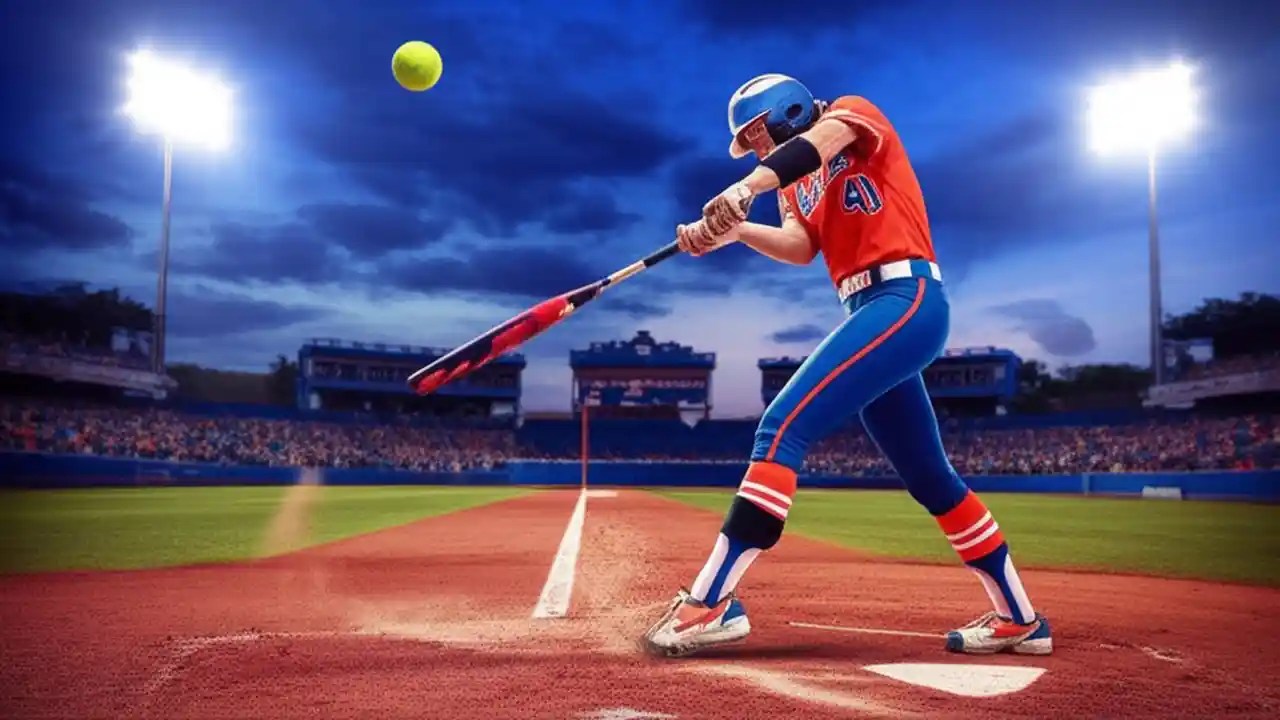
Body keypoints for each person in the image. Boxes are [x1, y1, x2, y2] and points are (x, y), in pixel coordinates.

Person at [642, 74, 1051, 658]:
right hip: (866, 308)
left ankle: (709, 603)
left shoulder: (853, 116)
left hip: (905, 299)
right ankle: (1021, 619)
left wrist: (747, 185)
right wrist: (735, 232)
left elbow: (819, 143)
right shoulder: (792, 182)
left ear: (787, 113)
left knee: (781, 427)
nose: (757, 150)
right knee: (931, 479)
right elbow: (800, 246)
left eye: (758, 135)